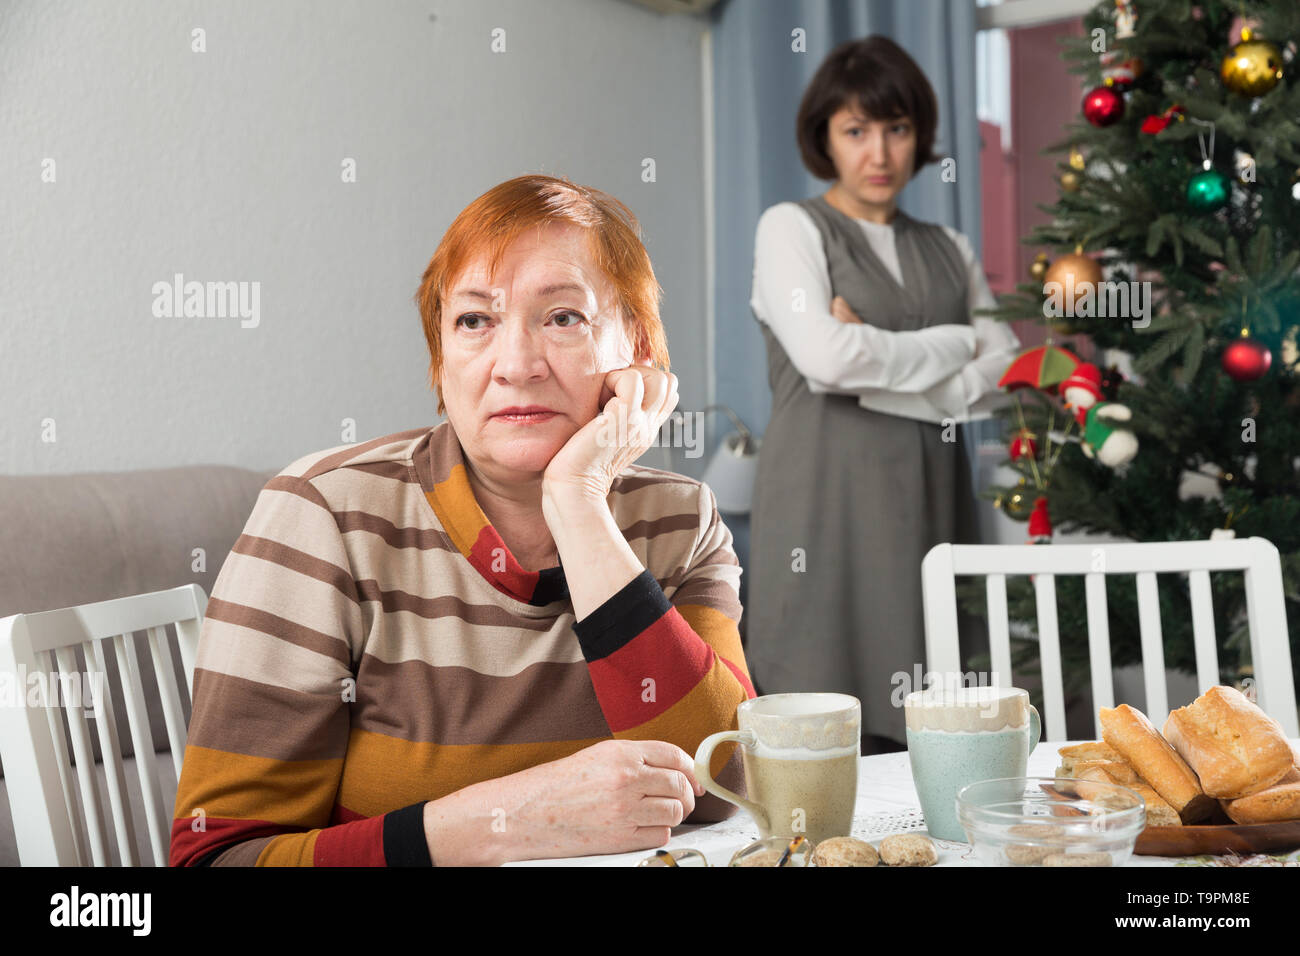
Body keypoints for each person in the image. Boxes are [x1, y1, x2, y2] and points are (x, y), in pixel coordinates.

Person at [169, 174, 754, 866]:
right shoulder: (325, 516)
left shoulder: (678, 519)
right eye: (475, 321)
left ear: (637, 352)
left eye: (563, 317)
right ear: (441, 361)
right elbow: (215, 859)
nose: (516, 365)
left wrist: (578, 500)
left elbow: (725, 782)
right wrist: (507, 821)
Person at [745, 36, 1020, 752]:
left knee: (940, 725)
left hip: (933, 509)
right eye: (856, 131)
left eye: (897, 129)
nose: (880, 154)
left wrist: (880, 358)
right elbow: (826, 360)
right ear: (824, 138)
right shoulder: (790, 229)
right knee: (817, 729)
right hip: (823, 511)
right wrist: (956, 343)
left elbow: (1009, 369)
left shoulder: (950, 246)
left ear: (919, 136)